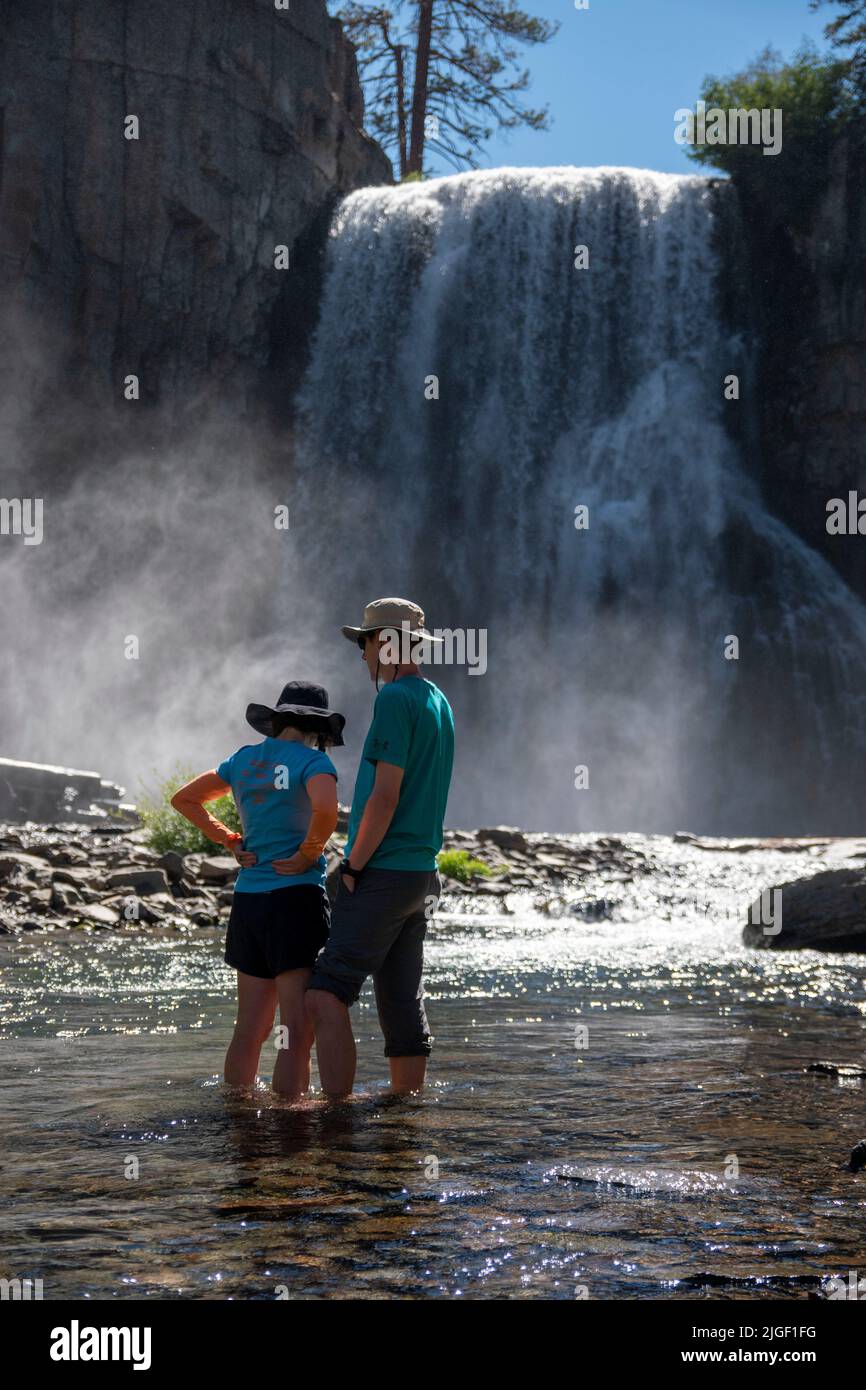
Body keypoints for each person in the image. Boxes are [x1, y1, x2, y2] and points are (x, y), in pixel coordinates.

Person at [306, 598, 454, 1099]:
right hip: (421, 875)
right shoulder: (438, 699)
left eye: (366, 643)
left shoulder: (393, 700)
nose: (363, 655)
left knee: (326, 994)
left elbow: (385, 797)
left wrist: (352, 863)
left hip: (385, 869)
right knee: (398, 997)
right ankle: (403, 1114)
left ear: (385, 643)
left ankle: (335, 1117)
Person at [171, 682, 344, 1099]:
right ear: (318, 728)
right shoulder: (315, 764)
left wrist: (230, 839)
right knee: (295, 1030)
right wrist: (308, 853)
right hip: (295, 899)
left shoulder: (243, 760)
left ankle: (238, 1117)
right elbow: (327, 812)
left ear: (279, 719)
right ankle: (289, 1129)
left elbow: (185, 799)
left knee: (250, 1026)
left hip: (249, 901)